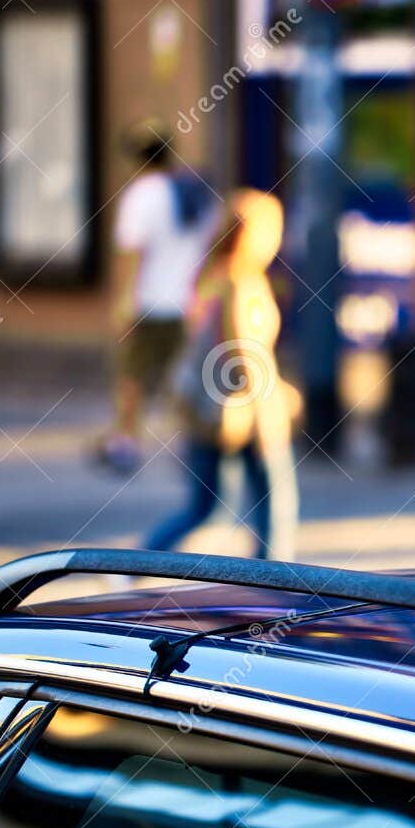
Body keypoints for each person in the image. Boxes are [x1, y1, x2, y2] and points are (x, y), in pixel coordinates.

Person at [144, 190, 297, 560]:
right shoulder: (242, 283)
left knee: (206, 508)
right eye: (274, 229)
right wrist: (276, 400)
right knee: (275, 511)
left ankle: (135, 564)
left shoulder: (211, 276)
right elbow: (243, 352)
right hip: (250, 414)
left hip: (210, 409)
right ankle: (275, 594)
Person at [99, 125, 216, 473]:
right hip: (186, 301)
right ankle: (192, 444)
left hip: (149, 301)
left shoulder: (142, 194)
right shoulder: (192, 191)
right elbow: (209, 245)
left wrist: (124, 299)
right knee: (181, 376)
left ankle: (125, 442)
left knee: (132, 374)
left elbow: (133, 251)